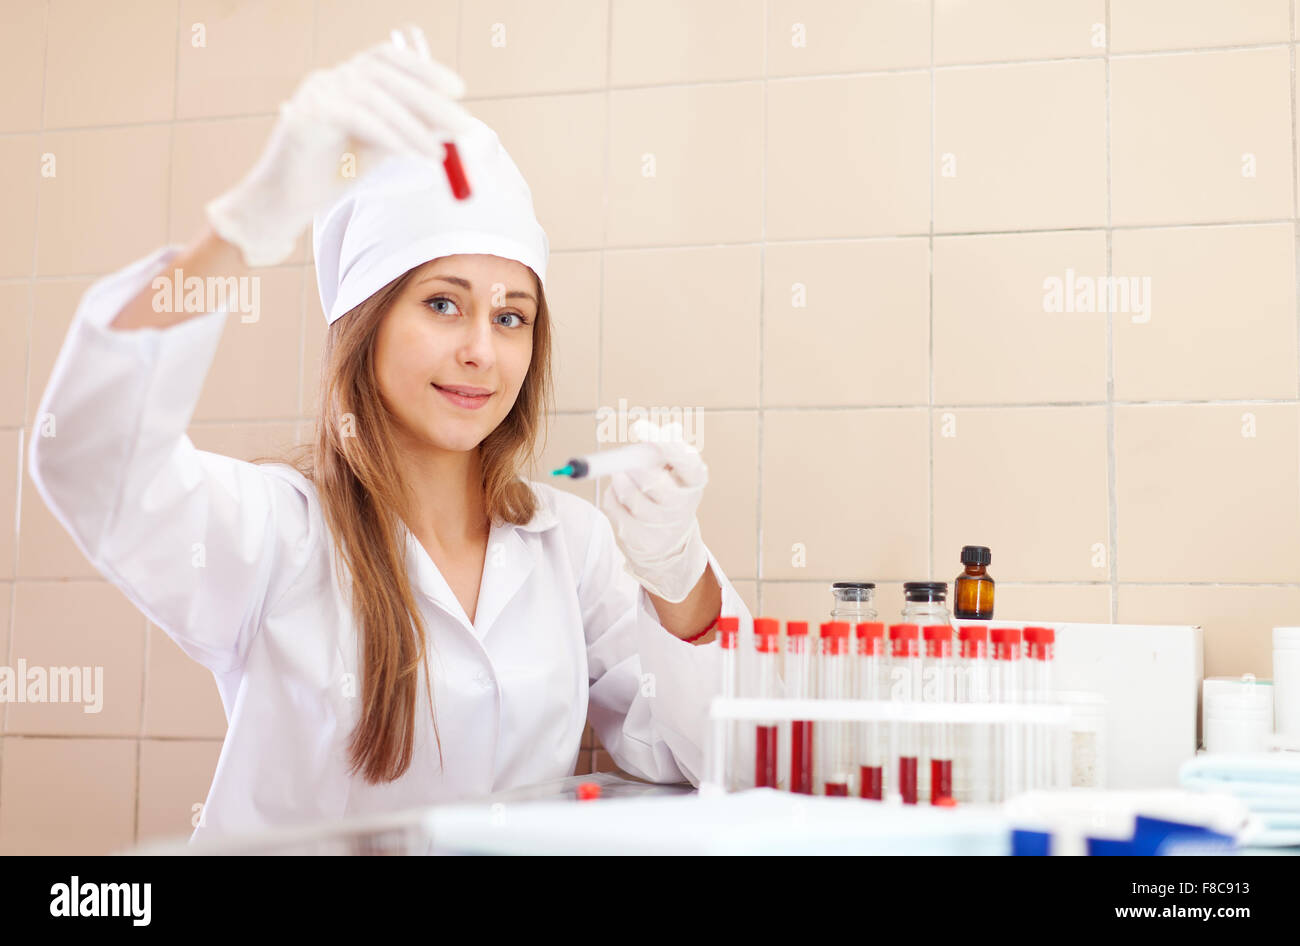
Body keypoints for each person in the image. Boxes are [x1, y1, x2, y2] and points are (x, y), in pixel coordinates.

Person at [27, 26, 752, 842]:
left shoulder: (568, 547)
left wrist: (678, 577)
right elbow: (90, 459)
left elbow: (716, 758)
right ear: (366, 327)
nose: (481, 348)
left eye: (512, 316)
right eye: (443, 303)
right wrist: (246, 227)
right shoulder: (277, 533)